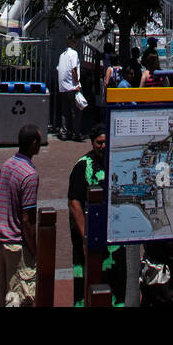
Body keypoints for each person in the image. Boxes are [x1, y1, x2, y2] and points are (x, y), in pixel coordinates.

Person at [68, 124, 126, 306]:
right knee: (90, 282)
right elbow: (74, 204)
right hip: (90, 239)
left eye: (106, 142)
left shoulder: (117, 162)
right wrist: (86, 238)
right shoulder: (83, 166)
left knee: (116, 282)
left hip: (114, 238)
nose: (103, 146)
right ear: (92, 143)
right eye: (99, 142)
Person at [0, 123, 41, 307]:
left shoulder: (6, 165)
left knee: (4, 295)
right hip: (17, 244)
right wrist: (35, 250)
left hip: (2, 240)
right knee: (20, 299)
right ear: (33, 143)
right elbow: (27, 220)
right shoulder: (30, 175)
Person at [56, 36, 81, 141]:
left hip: (62, 87)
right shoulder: (74, 53)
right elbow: (74, 69)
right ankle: (76, 133)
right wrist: (77, 83)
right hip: (72, 86)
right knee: (76, 111)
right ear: (73, 43)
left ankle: (64, 132)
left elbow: (58, 69)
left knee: (64, 111)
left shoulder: (62, 55)